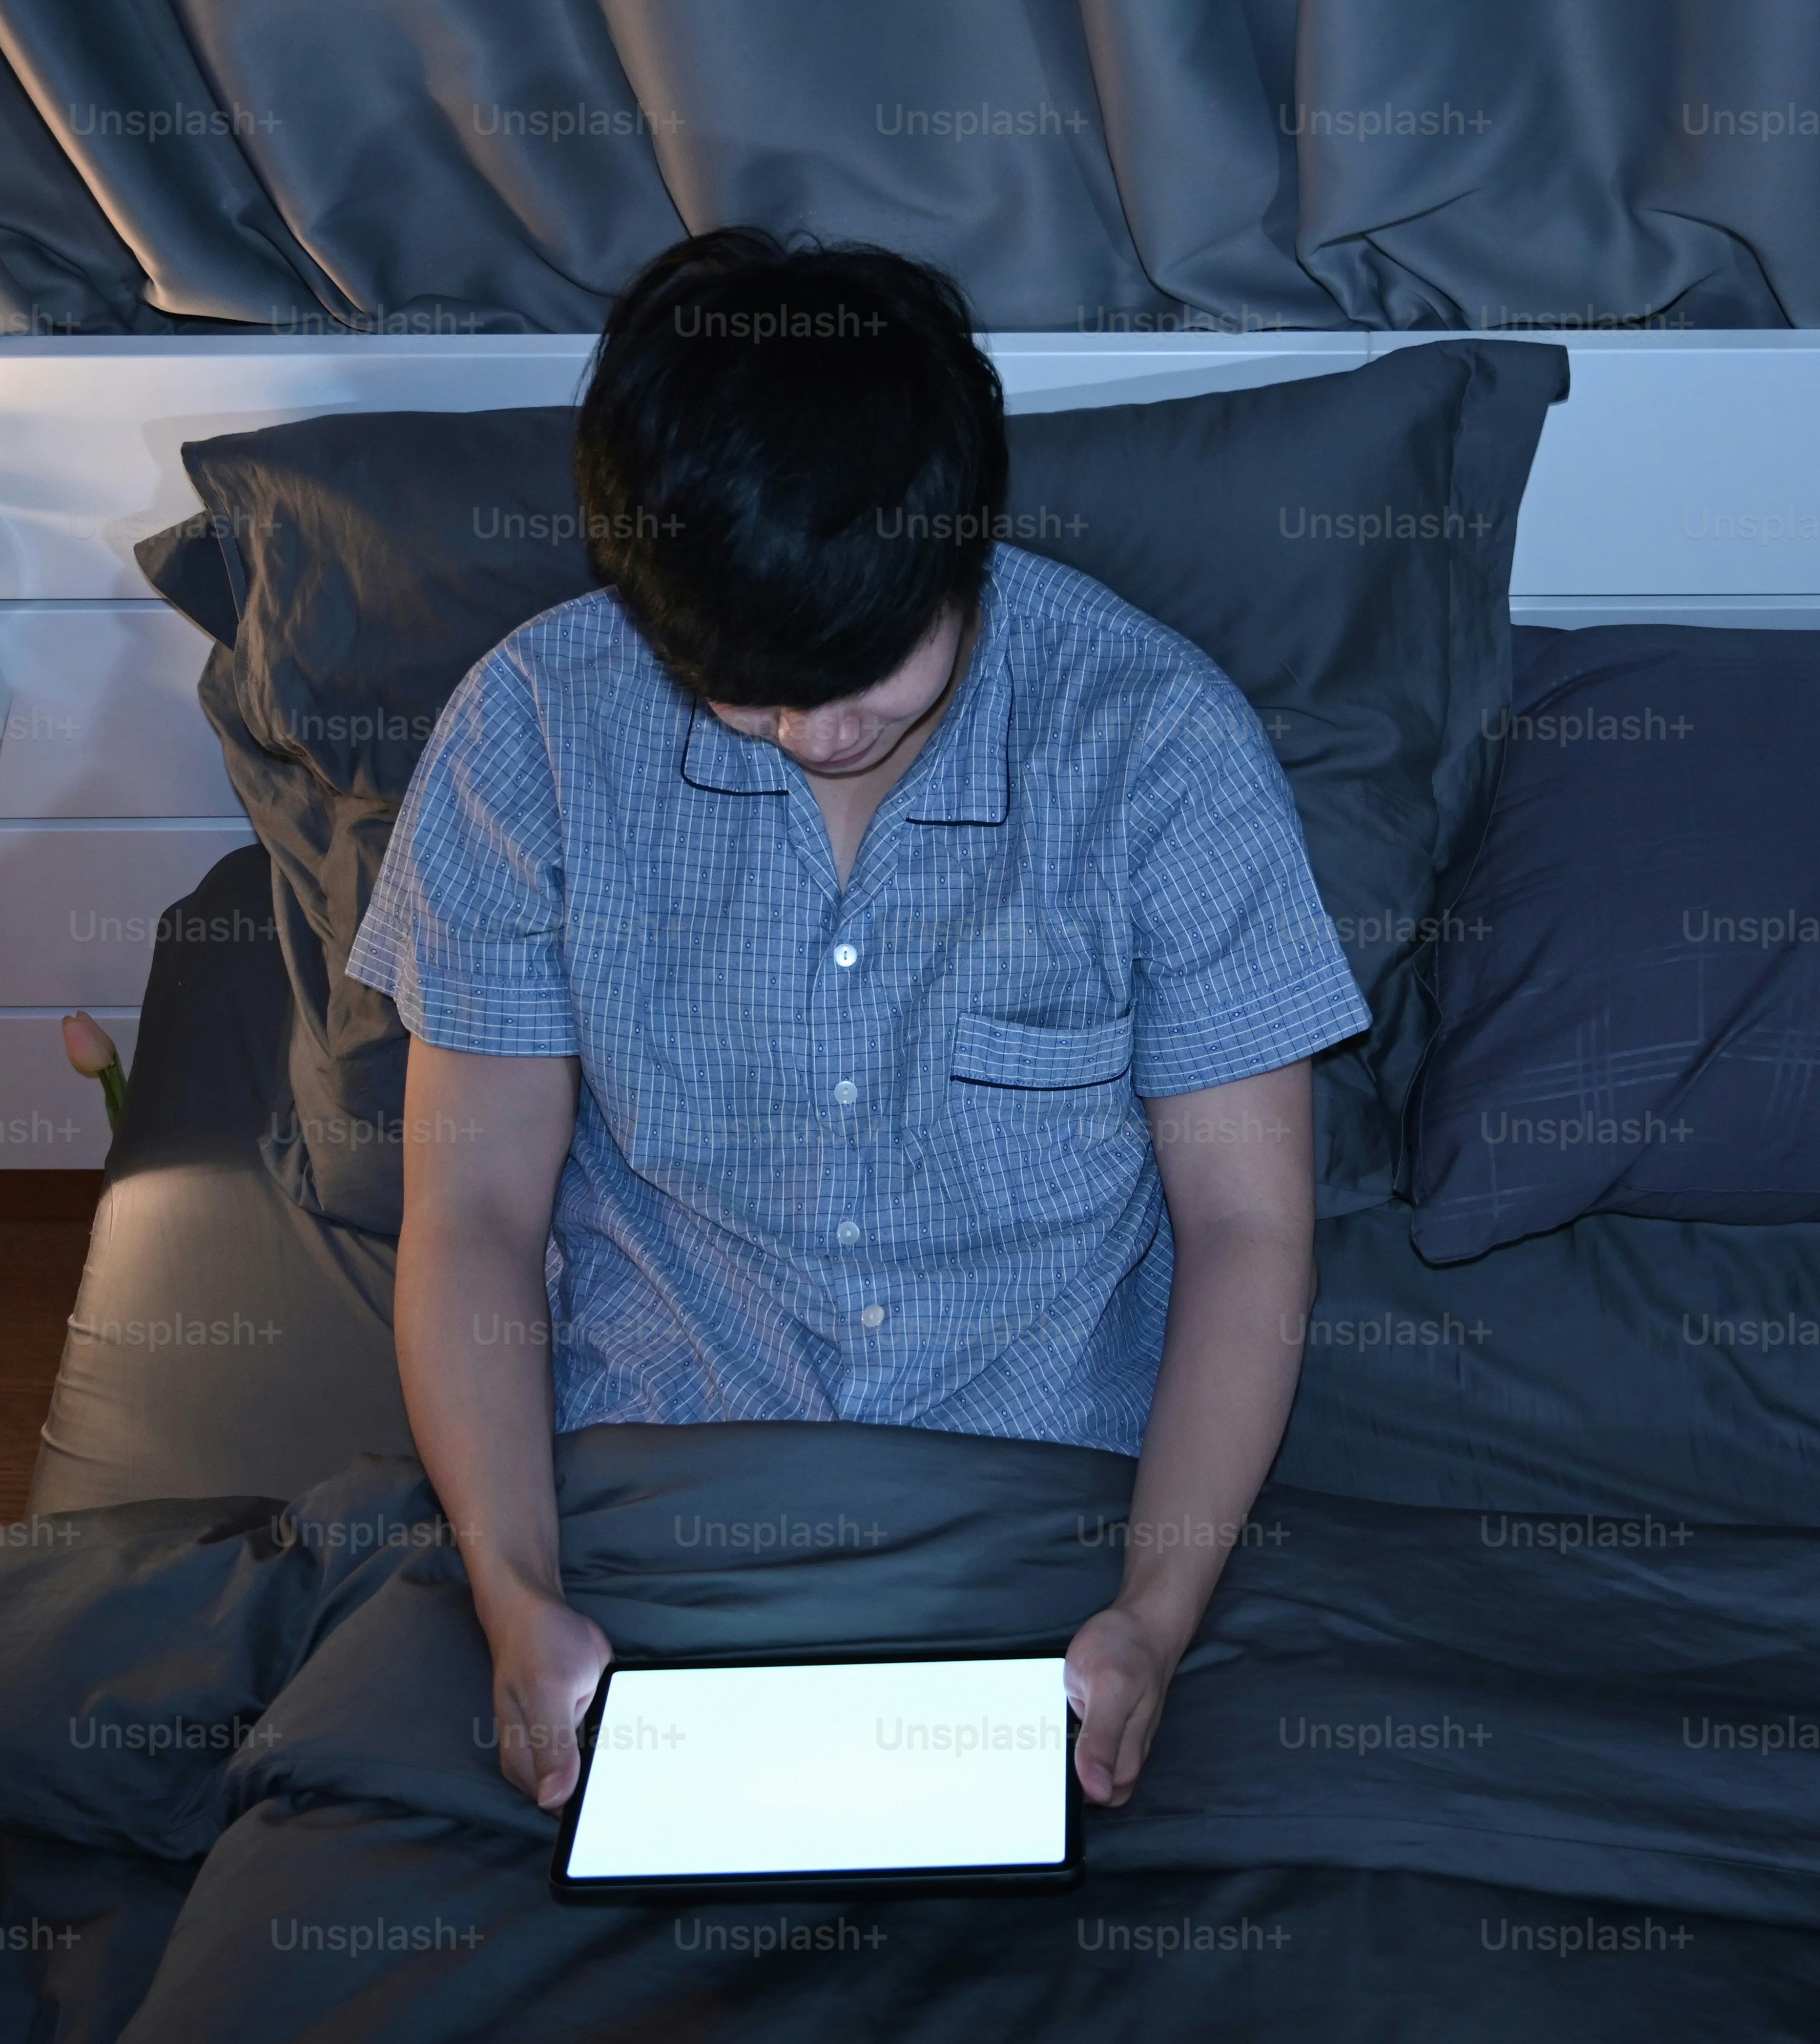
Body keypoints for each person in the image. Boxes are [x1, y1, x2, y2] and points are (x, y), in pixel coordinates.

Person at [348, 228, 1364, 1816]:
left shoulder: (1159, 750)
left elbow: (1248, 1227)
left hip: (1052, 1535)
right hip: (645, 1520)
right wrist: (513, 1594)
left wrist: (1155, 1621)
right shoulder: (533, 735)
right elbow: (471, 1209)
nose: (818, 735)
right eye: (747, 692)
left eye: (867, 675)